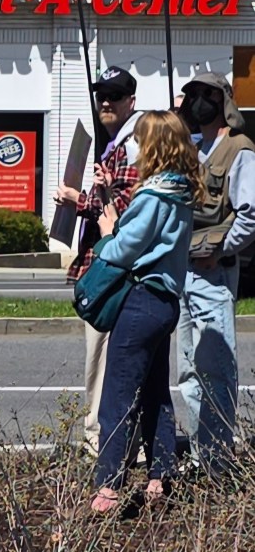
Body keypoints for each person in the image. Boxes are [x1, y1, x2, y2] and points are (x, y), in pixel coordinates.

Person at [90, 110, 203, 512]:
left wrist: (107, 234)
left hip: (140, 300)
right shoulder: (181, 192)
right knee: (155, 393)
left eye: (139, 140)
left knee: (117, 395)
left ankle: (108, 487)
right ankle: (160, 475)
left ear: (153, 146)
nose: (134, 148)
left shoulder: (153, 195)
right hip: (167, 301)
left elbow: (124, 250)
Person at [55, 66, 142, 451]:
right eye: (101, 95)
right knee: (99, 360)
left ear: (131, 102)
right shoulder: (111, 145)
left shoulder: (131, 145)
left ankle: (106, 440)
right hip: (101, 268)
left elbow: (126, 205)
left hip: (117, 274)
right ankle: (103, 435)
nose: (105, 102)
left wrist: (79, 200)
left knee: (107, 359)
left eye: (115, 96)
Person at [176, 73, 255, 477]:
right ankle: (199, 454)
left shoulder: (239, 150)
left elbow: (250, 214)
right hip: (183, 273)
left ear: (224, 100)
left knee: (216, 367)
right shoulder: (192, 148)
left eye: (208, 94)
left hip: (214, 273)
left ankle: (219, 463)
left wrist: (220, 250)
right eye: (192, 95)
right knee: (188, 369)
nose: (198, 101)